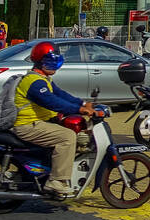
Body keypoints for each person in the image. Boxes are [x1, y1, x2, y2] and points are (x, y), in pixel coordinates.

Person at [11, 42, 95, 198]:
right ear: (41, 62)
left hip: (38, 122)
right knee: (67, 137)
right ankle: (56, 181)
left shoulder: (43, 79)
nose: (54, 65)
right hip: (28, 125)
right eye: (51, 61)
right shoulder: (35, 82)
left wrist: (83, 103)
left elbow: (61, 95)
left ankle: (47, 170)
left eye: (56, 61)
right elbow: (52, 102)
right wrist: (79, 109)